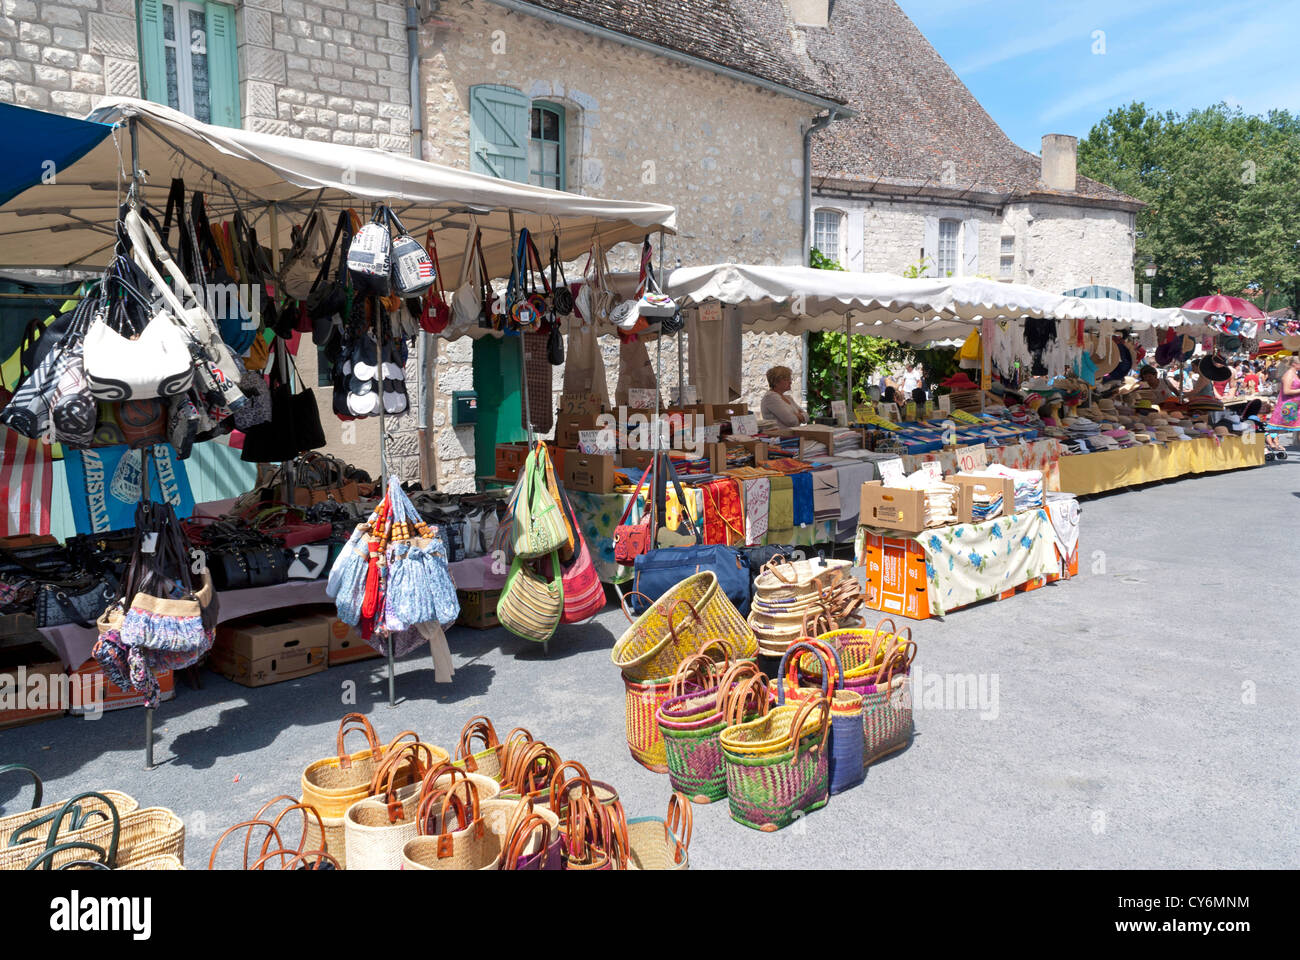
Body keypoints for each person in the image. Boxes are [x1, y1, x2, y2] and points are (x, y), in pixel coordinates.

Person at [1268, 356, 1300, 430]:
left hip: (1295, 405)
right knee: (1281, 428)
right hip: (1288, 406)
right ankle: (1270, 437)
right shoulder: (1289, 374)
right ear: (1294, 364)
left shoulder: (1294, 374)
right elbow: (1286, 391)